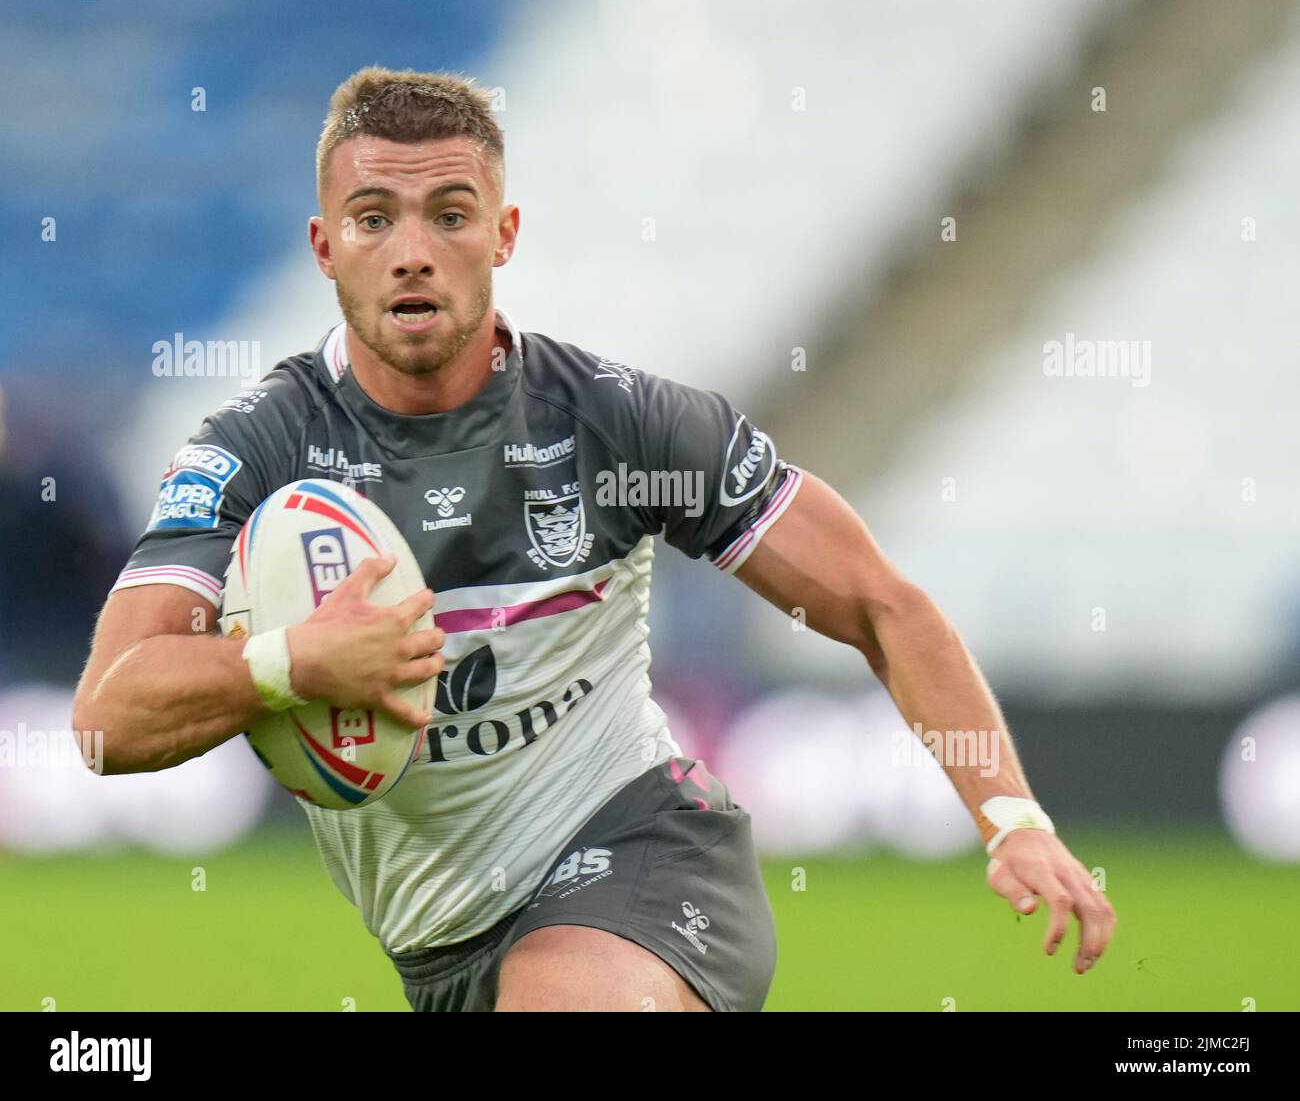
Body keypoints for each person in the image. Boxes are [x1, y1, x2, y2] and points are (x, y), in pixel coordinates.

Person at [73, 67, 1116, 1012]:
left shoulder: (621, 425)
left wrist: (1012, 816)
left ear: (504, 232)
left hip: (638, 854)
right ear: (323, 246)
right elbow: (106, 720)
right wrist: (295, 661)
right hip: (438, 952)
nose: (412, 254)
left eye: (450, 214)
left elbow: (881, 605)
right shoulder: (258, 452)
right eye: (373, 218)